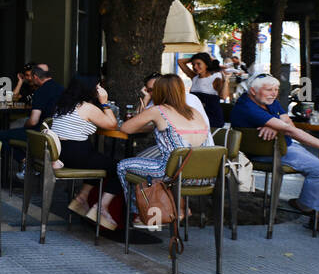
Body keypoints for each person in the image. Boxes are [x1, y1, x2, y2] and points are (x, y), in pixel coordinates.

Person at [230, 73, 319, 236]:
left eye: (276, 89)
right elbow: (290, 130)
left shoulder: (268, 101)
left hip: (286, 147)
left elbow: (288, 123)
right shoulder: (247, 106)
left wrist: (274, 125)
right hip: (269, 153)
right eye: (269, 90)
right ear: (253, 91)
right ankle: (305, 205)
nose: (273, 93)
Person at [116, 75, 214, 229]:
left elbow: (125, 128)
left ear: (159, 92)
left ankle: (140, 214)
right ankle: (175, 209)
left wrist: (145, 104)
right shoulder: (194, 111)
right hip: (202, 176)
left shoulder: (158, 110)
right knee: (149, 169)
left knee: (123, 166)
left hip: (173, 173)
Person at [47, 76, 124, 231]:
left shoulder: (62, 105)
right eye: (97, 87)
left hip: (63, 154)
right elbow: (112, 125)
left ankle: (81, 198)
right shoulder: (87, 107)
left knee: (99, 161)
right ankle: (101, 208)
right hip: (78, 155)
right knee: (120, 168)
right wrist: (104, 102)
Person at [179, 52, 226, 125]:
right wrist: (196, 58)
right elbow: (180, 61)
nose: (195, 67)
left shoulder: (216, 77)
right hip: (195, 117)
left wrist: (226, 81)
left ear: (206, 64)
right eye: (193, 64)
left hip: (212, 118)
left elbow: (223, 96)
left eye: (198, 64)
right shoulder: (194, 77)